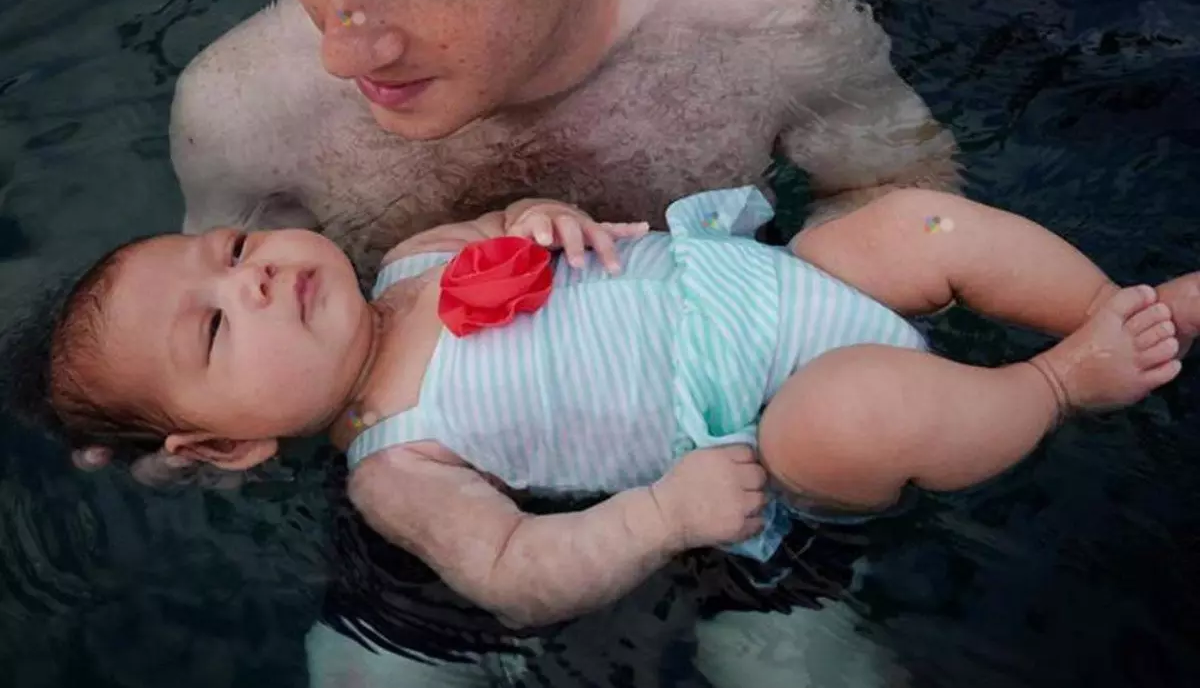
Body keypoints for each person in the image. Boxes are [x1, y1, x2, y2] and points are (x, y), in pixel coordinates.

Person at [88, 0, 969, 683]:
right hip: (422, 490)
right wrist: (160, 445)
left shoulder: (766, 34)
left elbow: (914, 216)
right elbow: (202, 358)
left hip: (755, 441)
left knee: (794, 663)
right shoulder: (243, 114)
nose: (344, 48)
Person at [47, 184, 1196, 629]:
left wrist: (542, 218)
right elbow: (510, 572)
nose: (246, 277)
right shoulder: (398, 467)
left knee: (907, 225)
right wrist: (660, 518)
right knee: (847, 422)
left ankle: (1124, 312)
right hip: (769, 411)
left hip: (785, 279)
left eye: (231, 247)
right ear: (239, 442)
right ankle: (1060, 382)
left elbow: (519, 221)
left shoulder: (407, 259)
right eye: (212, 328)